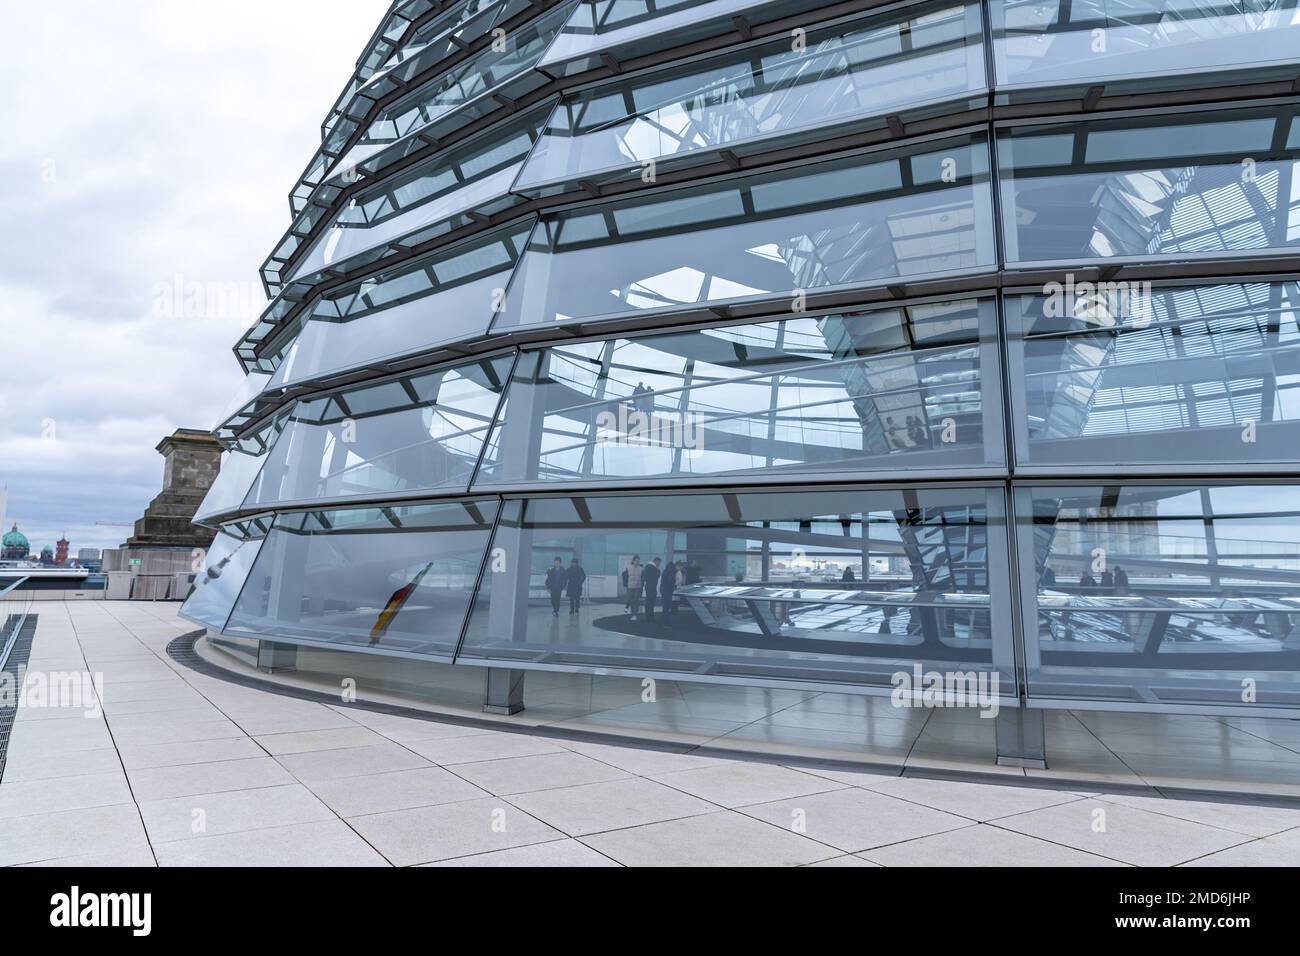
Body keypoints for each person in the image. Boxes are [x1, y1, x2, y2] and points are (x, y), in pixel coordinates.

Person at [659, 558, 679, 627]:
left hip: (663, 589)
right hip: (667, 590)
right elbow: (670, 581)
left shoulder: (666, 569)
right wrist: (674, 587)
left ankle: (664, 621)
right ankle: (666, 623)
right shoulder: (672, 571)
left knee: (665, 606)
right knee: (667, 606)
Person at [643, 557, 661, 622]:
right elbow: (658, 574)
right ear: (656, 561)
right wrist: (658, 569)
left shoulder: (647, 567)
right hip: (652, 587)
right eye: (659, 563)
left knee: (648, 601)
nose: (659, 564)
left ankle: (647, 615)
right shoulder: (653, 568)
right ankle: (650, 616)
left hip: (648, 586)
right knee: (651, 602)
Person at [626, 556, 644, 622]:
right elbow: (625, 576)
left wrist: (641, 586)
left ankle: (634, 615)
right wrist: (626, 585)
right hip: (630, 587)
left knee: (636, 600)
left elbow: (642, 577)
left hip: (638, 587)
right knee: (631, 600)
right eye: (636, 561)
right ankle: (632, 612)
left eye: (638, 561)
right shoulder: (628, 567)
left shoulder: (641, 569)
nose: (637, 562)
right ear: (633, 561)